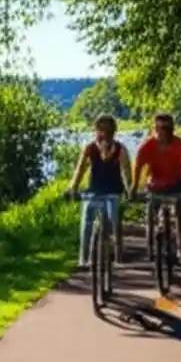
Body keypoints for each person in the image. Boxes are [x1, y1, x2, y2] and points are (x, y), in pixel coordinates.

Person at [67, 114, 132, 268]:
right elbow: (80, 170)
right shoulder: (89, 149)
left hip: (113, 191)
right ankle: (83, 259)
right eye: (100, 130)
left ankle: (118, 257)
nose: (103, 134)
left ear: (113, 132)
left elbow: (126, 172)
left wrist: (129, 190)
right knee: (86, 224)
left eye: (107, 130)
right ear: (95, 131)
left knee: (114, 222)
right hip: (94, 191)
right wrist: (73, 188)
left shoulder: (120, 150)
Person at [133, 113, 181, 262]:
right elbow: (138, 167)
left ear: (172, 129)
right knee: (150, 214)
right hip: (155, 185)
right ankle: (150, 248)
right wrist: (134, 188)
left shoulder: (180, 144)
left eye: (166, 128)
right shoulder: (147, 145)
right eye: (158, 128)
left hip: (176, 184)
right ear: (154, 128)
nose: (162, 132)